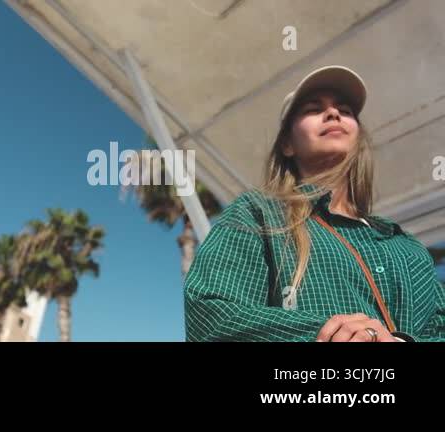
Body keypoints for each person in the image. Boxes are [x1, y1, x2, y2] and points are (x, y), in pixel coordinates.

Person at [184, 65, 445, 342]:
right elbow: (210, 317)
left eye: (345, 110)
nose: (333, 113)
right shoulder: (258, 213)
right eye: (313, 108)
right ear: (287, 144)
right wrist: (323, 335)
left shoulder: (406, 245)